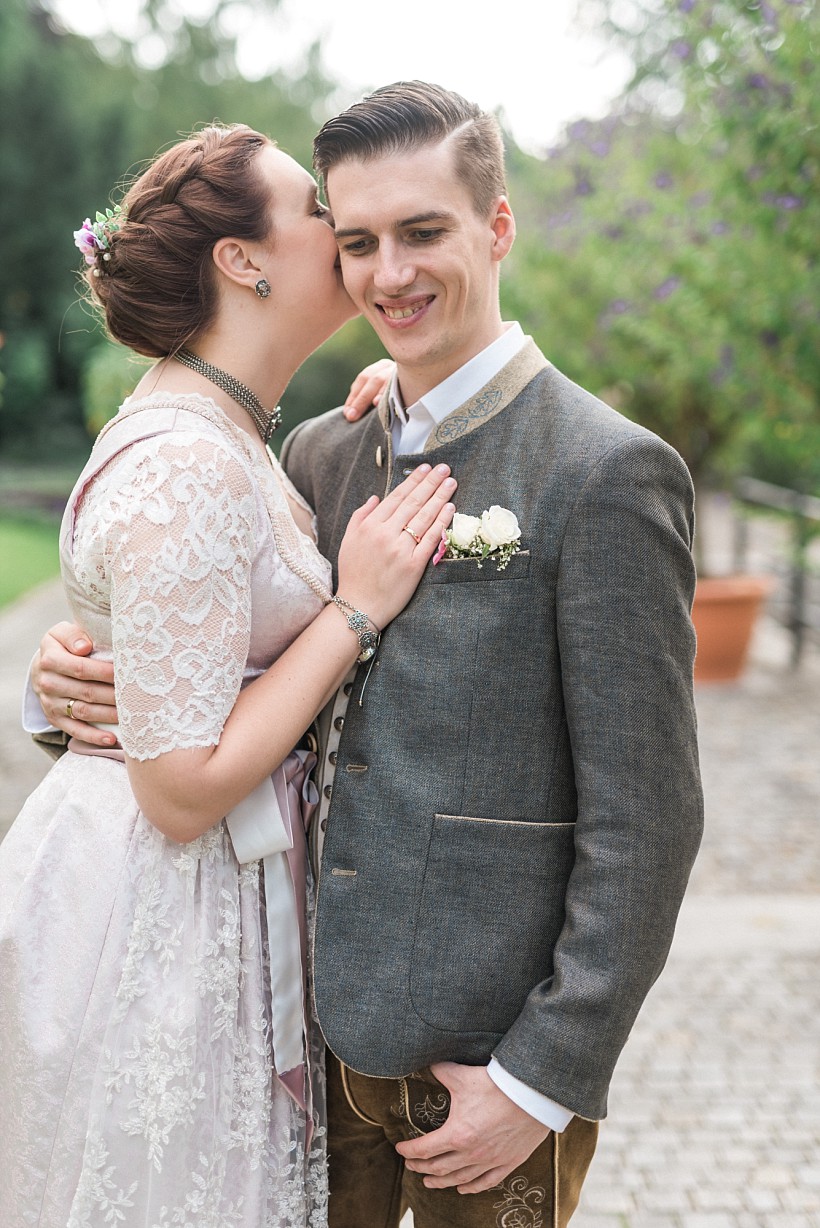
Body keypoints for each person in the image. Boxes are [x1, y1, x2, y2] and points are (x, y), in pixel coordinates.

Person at [30, 83, 704, 1228]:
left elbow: (646, 820)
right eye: (356, 242)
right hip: (294, 1040)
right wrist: (70, 682)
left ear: (495, 228)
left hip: (478, 1070)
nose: (388, 272)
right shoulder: (320, 451)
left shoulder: (605, 472)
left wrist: (540, 1077)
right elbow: (222, 648)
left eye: (423, 233)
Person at [0, 121, 458, 1228]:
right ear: (240, 261)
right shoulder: (193, 461)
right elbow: (180, 786)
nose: (343, 233)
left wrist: (393, 393)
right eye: (316, 211)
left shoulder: (230, 435)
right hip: (162, 910)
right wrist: (353, 607)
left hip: (202, 885)